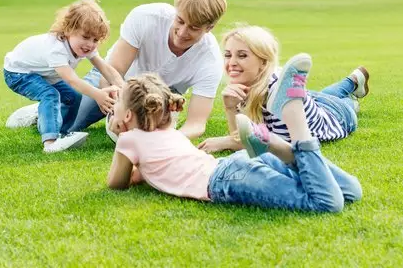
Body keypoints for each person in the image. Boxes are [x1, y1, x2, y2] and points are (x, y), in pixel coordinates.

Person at [107, 61, 362, 213]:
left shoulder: (130, 140)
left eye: (116, 103)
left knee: (327, 203)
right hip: (240, 161)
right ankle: (273, 144)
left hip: (226, 178)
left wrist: (124, 148)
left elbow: (116, 183)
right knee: (351, 191)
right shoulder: (168, 131)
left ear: (128, 116)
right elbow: (153, 169)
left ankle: (293, 117)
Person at [76, 0, 227, 140]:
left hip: (161, 97)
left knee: (136, 135)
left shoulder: (210, 60)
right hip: (117, 80)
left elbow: (196, 124)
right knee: (69, 119)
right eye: (180, 21)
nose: (182, 32)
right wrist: (118, 109)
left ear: (209, 28)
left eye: (194, 28)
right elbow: (111, 74)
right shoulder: (146, 17)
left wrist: (164, 140)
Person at [198, 25, 369, 153]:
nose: (232, 62)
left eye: (242, 55)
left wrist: (227, 142)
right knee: (324, 95)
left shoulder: (277, 93)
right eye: (228, 55)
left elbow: (279, 145)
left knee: (342, 102)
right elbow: (243, 133)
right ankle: (355, 79)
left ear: (263, 62)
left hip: (338, 117)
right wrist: (230, 107)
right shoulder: (245, 83)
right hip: (317, 103)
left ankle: (352, 91)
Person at [3, 0, 123, 153]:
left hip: (42, 74)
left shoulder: (86, 46)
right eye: (85, 37)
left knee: (73, 97)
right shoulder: (56, 49)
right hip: (18, 73)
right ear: (68, 30)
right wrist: (98, 95)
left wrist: (123, 88)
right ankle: (50, 143)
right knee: (50, 95)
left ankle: (62, 133)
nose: (90, 44)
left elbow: (104, 68)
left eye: (95, 40)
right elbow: (71, 80)